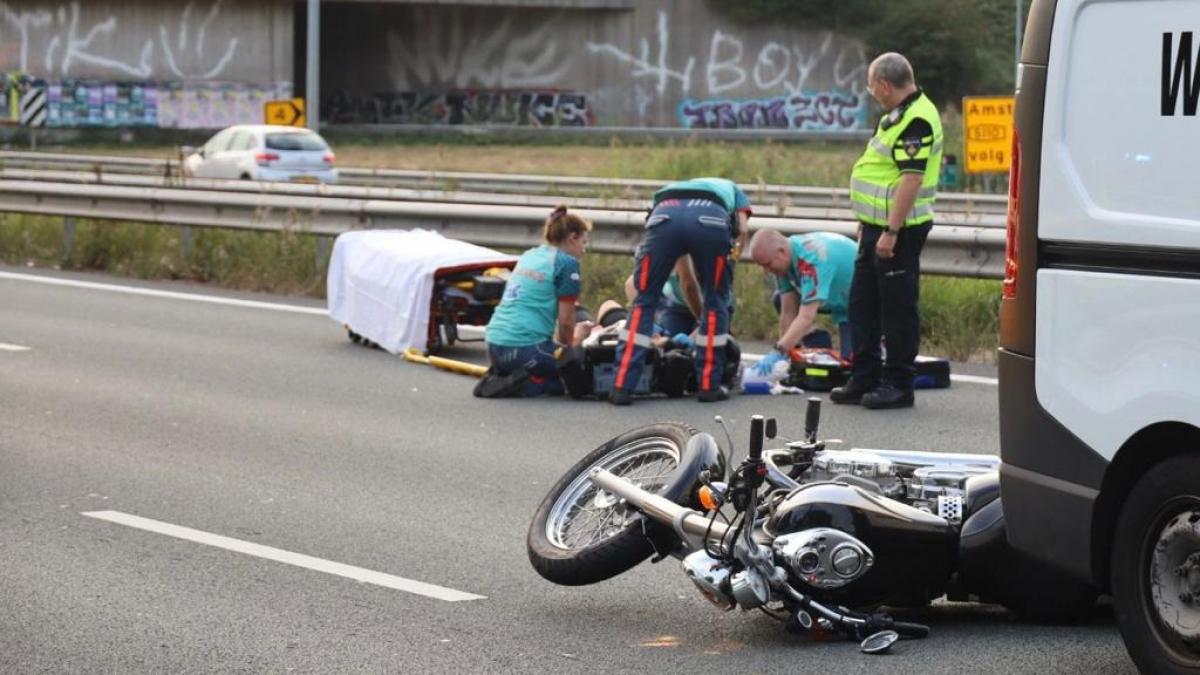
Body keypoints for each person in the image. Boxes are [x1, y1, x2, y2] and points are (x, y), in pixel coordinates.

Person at [832, 51, 943, 410]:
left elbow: (911, 179)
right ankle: (864, 375)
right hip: (875, 227)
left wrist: (892, 231)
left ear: (883, 85)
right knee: (862, 304)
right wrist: (870, 223)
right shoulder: (898, 115)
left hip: (900, 230)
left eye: (871, 86)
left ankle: (897, 383)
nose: (871, 92)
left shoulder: (918, 120)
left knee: (897, 309)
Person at [611, 177, 751, 405]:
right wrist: (731, 262)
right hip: (709, 221)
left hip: (664, 216)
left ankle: (621, 386)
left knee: (644, 301)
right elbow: (743, 229)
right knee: (716, 302)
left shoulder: (671, 189)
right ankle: (708, 386)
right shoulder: (733, 189)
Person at [475, 206, 592, 397]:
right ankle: (524, 384)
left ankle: (505, 376)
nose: (584, 250)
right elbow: (565, 324)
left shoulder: (530, 255)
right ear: (572, 237)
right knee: (578, 374)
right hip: (523, 350)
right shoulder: (567, 263)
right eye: (583, 242)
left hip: (494, 345)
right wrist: (578, 339)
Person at [747, 229, 856, 377]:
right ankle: (818, 343)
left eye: (767, 264)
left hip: (862, 302)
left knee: (851, 368)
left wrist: (778, 350)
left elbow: (805, 317)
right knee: (779, 298)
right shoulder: (786, 260)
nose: (767, 271)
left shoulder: (811, 261)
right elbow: (788, 311)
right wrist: (786, 357)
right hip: (839, 296)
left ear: (781, 252)